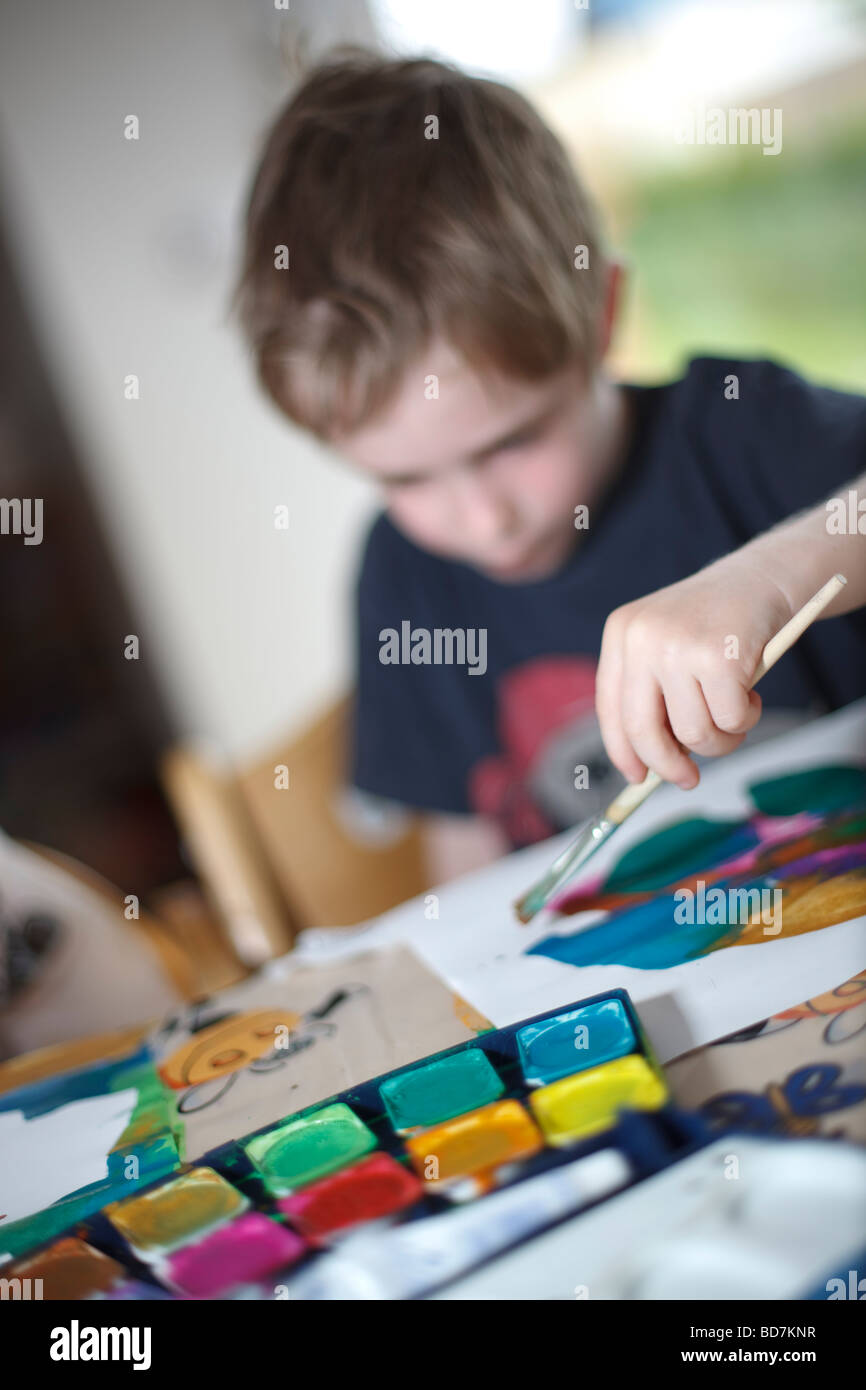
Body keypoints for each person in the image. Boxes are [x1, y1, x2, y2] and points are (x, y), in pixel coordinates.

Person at [234, 53, 866, 883]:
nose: (482, 518)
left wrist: (770, 580)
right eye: (406, 479)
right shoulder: (403, 579)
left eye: (512, 443)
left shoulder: (742, 425)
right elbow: (466, 869)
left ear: (601, 315)